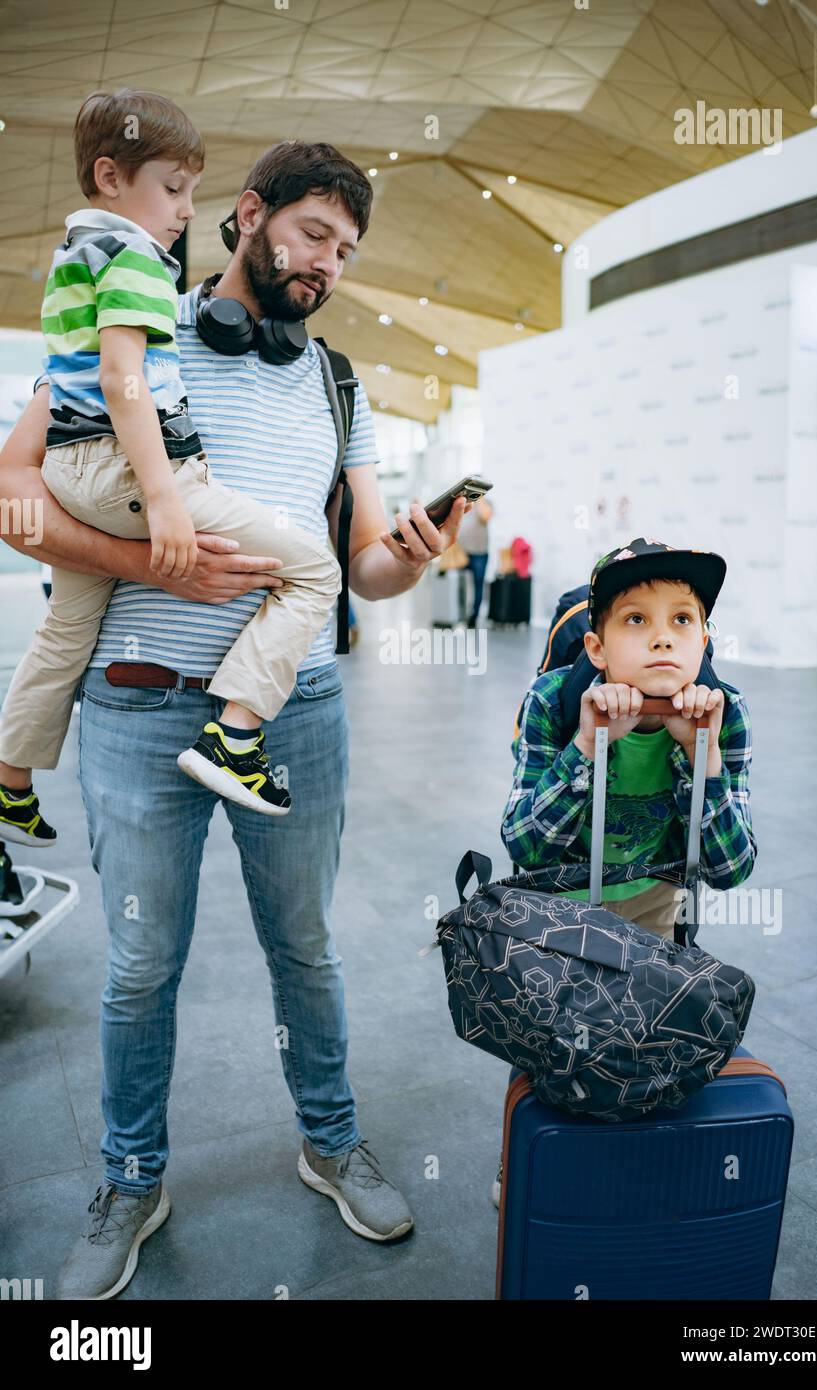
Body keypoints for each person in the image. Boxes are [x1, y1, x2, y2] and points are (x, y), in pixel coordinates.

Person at [0, 123, 474, 1300]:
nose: (327, 263)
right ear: (249, 213)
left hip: (296, 709)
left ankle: (330, 1140)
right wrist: (150, 560)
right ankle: (130, 1175)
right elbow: (11, 490)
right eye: (314, 232)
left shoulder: (338, 380)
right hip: (133, 706)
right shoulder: (137, 325)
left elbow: (356, 564)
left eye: (347, 251)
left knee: (306, 949)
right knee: (139, 966)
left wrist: (404, 563)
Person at [0, 88, 344, 839]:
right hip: (128, 472)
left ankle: (9, 777)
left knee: (65, 628)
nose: (186, 210)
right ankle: (236, 734)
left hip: (73, 467)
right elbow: (126, 379)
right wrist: (163, 499)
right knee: (317, 571)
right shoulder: (136, 260)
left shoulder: (77, 253)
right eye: (174, 188)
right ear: (111, 176)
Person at [493, 537, 757, 1207]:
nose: (662, 639)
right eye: (635, 620)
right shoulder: (554, 701)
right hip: (561, 922)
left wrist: (705, 760)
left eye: (681, 620)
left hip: (655, 918)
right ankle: (527, 1161)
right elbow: (524, 844)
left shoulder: (724, 714)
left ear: (703, 640)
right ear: (598, 648)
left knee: (639, 1046)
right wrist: (586, 745)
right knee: (551, 1048)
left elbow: (730, 867)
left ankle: (629, 1162)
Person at [458, 494, 492, 627]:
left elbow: (485, 516)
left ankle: (474, 617)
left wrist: (480, 498)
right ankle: (459, 614)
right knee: (459, 585)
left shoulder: (486, 503)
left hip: (479, 553)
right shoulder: (464, 502)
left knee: (478, 586)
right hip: (462, 552)